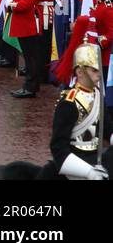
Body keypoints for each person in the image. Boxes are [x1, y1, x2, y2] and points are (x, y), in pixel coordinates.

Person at [39, 42, 106, 180]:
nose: (99, 74)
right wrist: (88, 172)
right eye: (94, 70)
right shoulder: (69, 103)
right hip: (73, 162)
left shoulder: (98, 95)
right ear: (80, 72)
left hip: (95, 157)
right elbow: (58, 147)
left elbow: (108, 127)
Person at [5, 0, 57, 98]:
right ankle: (30, 83)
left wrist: (11, 5)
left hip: (28, 22)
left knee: (31, 57)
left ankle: (31, 86)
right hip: (24, 22)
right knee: (29, 56)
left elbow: (26, 4)